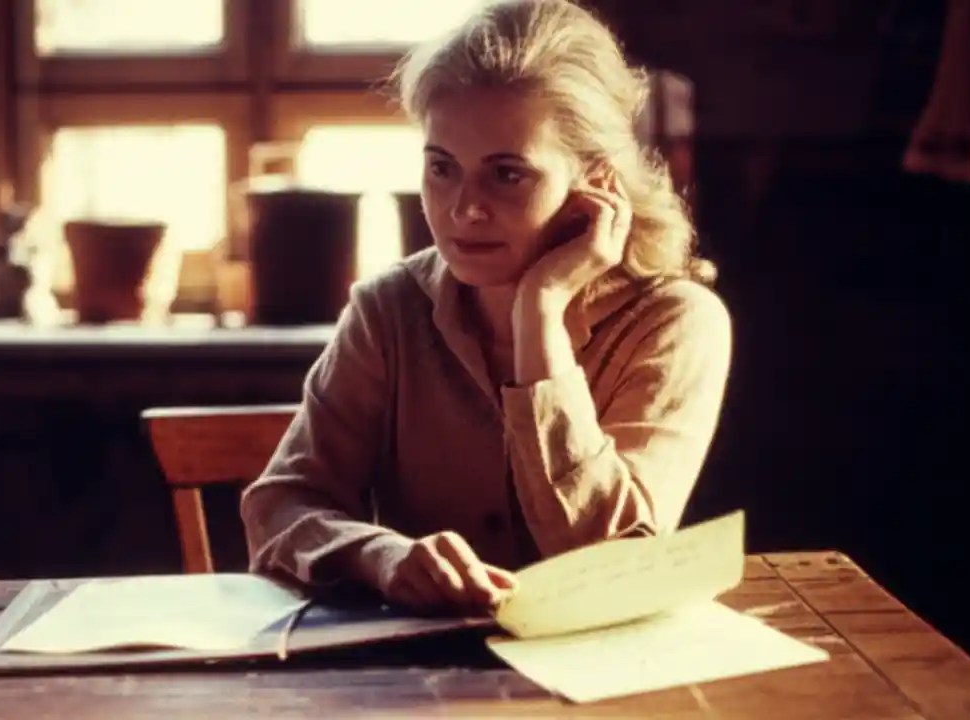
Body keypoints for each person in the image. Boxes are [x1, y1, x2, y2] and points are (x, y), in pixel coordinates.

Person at [240, 0, 732, 616]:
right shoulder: (389, 310)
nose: (463, 209)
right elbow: (281, 506)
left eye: (507, 175)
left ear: (597, 183)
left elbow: (614, 562)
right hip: (413, 688)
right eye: (442, 169)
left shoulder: (675, 322)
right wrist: (381, 555)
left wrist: (541, 316)